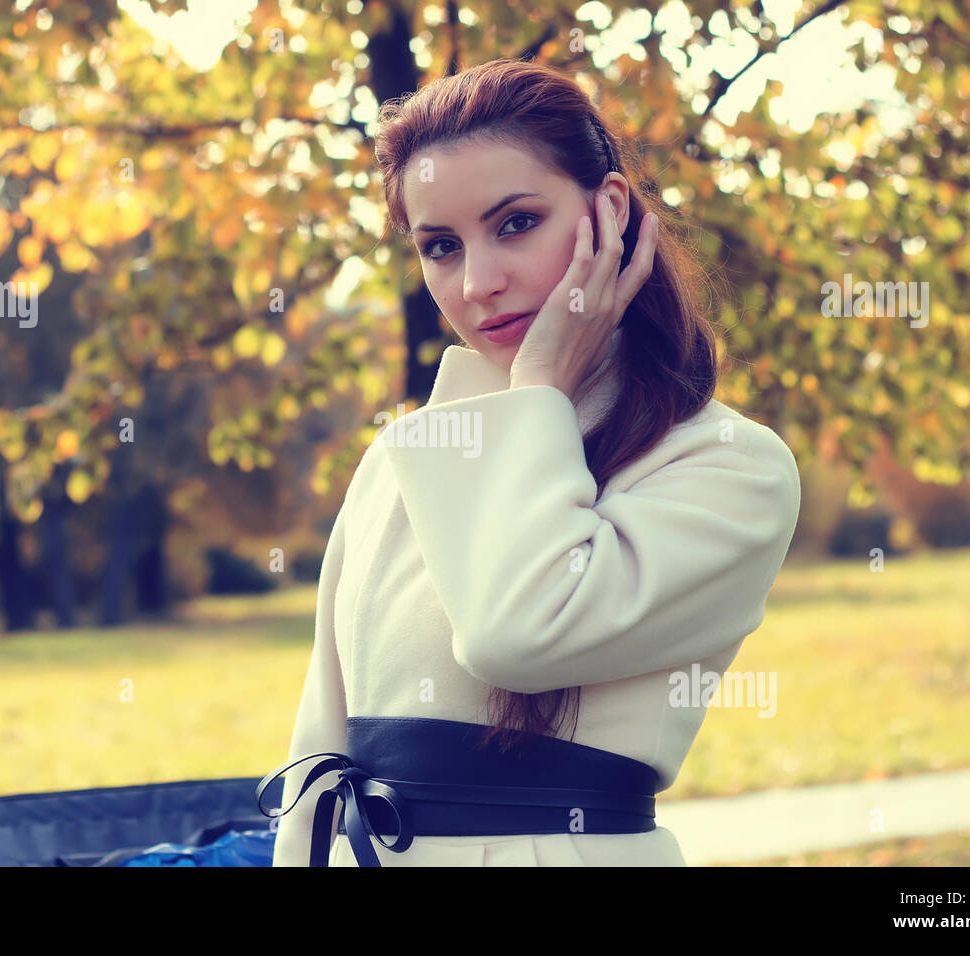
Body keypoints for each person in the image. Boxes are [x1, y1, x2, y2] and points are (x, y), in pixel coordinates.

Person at [259, 58, 801, 866]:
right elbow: (316, 752)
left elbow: (517, 633)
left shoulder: (732, 468)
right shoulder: (399, 459)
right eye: (440, 246)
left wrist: (539, 387)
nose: (479, 282)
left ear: (609, 211)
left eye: (515, 223)